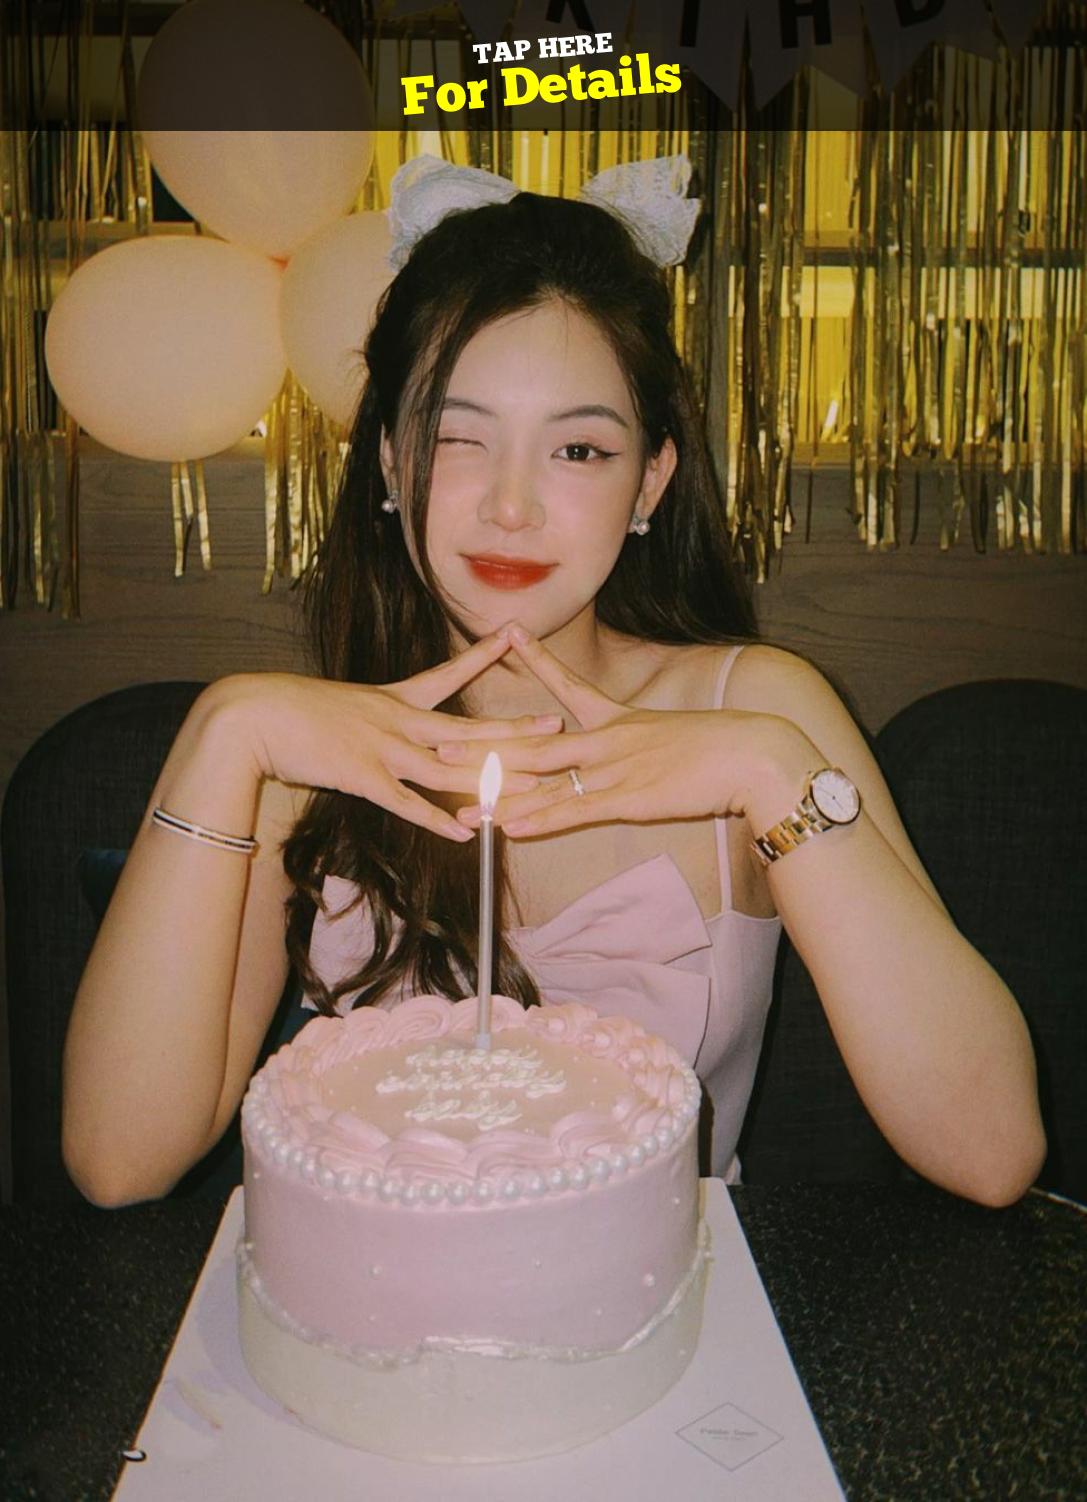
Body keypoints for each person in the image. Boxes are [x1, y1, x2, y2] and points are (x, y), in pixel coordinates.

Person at [62, 156, 1045, 1210]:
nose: (512, 507)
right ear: (389, 464)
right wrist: (223, 729)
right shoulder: (298, 749)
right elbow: (121, 1161)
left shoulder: (758, 711)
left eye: (577, 448)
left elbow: (989, 1152)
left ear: (649, 482)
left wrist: (770, 770)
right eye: (455, 437)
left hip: (664, 1333)